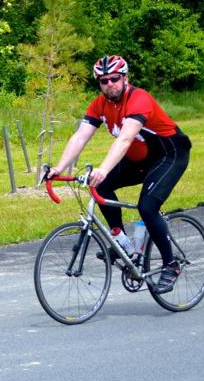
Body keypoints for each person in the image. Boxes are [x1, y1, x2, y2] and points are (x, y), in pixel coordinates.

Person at [46, 55, 192, 294]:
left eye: (114, 78)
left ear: (125, 78)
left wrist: (103, 169)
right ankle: (121, 241)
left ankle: (171, 264)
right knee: (100, 187)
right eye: (103, 81)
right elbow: (81, 136)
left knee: (147, 207)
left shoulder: (139, 99)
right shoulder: (100, 105)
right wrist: (58, 168)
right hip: (139, 159)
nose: (109, 84)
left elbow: (125, 139)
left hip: (170, 155)